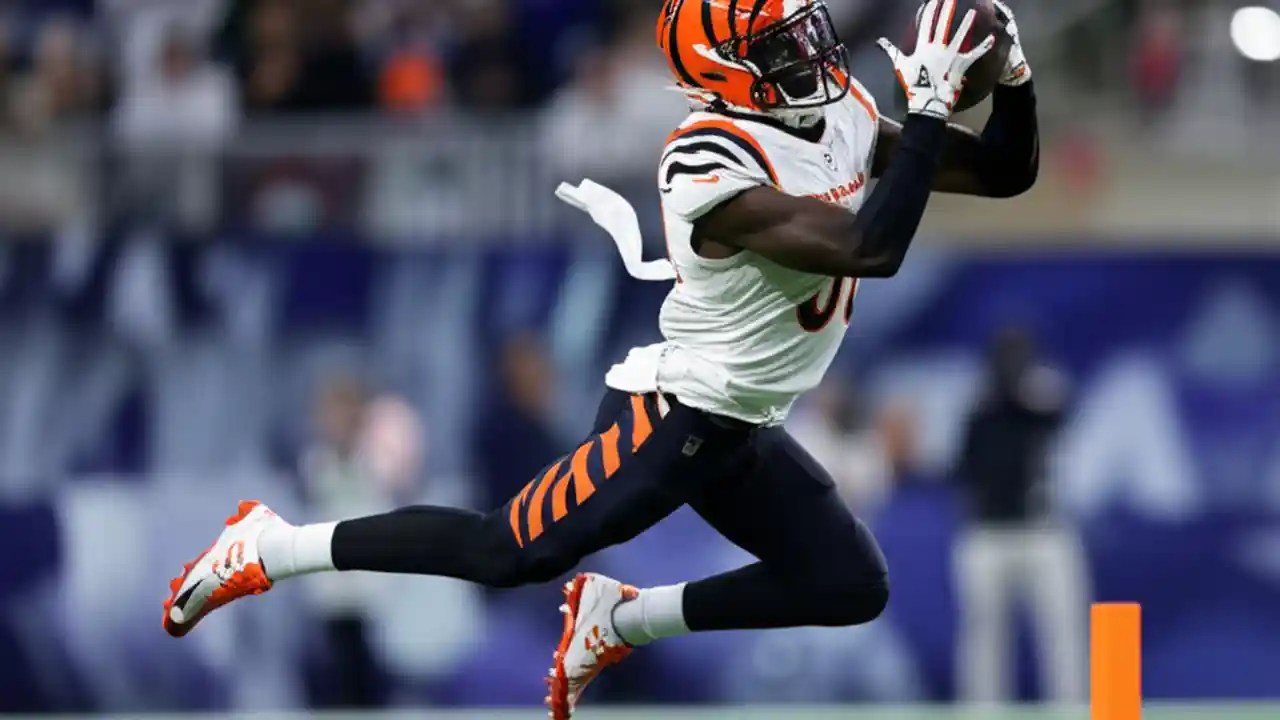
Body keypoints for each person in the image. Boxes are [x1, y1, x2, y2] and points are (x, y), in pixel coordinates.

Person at [161, 1, 1039, 717]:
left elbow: (1003, 174)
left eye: (807, 28)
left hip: (743, 420)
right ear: (727, 73)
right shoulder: (707, 163)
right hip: (677, 413)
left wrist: (1014, 80)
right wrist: (925, 106)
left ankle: (623, 619)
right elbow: (870, 246)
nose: (811, 52)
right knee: (508, 550)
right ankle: (271, 545)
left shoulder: (837, 107)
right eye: (782, 43)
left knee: (849, 582)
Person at [954, 326, 1089, 703]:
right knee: (984, 634)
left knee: (1062, 629)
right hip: (988, 534)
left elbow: (1058, 412)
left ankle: (1071, 707)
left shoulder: (1041, 396)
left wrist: (1023, 390)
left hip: (1043, 531)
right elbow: (963, 467)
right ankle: (982, 710)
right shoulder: (979, 407)